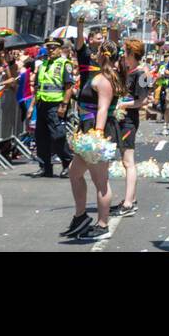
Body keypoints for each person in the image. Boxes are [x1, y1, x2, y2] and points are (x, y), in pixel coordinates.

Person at [61, 40, 122, 241]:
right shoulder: (97, 76)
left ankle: (103, 224)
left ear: (102, 55)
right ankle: (80, 217)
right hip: (86, 129)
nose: (94, 54)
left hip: (95, 131)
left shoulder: (104, 80)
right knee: (74, 173)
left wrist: (97, 135)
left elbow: (103, 108)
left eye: (97, 51)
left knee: (100, 180)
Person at [113, 38, 147, 216]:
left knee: (128, 161)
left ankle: (128, 203)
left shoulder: (141, 75)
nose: (122, 55)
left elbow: (142, 101)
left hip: (129, 121)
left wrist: (122, 105)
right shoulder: (127, 71)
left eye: (124, 52)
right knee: (125, 161)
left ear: (132, 54)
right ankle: (130, 199)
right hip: (121, 119)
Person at [33, 39, 73, 177]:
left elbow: (69, 86)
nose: (50, 50)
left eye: (54, 48)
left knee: (58, 136)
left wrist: (64, 105)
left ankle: (68, 163)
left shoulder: (64, 64)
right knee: (41, 137)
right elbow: (37, 87)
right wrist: (32, 106)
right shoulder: (43, 64)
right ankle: (44, 167)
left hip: (56, 105)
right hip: (42, 104)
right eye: (49, 48)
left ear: (60, 49)